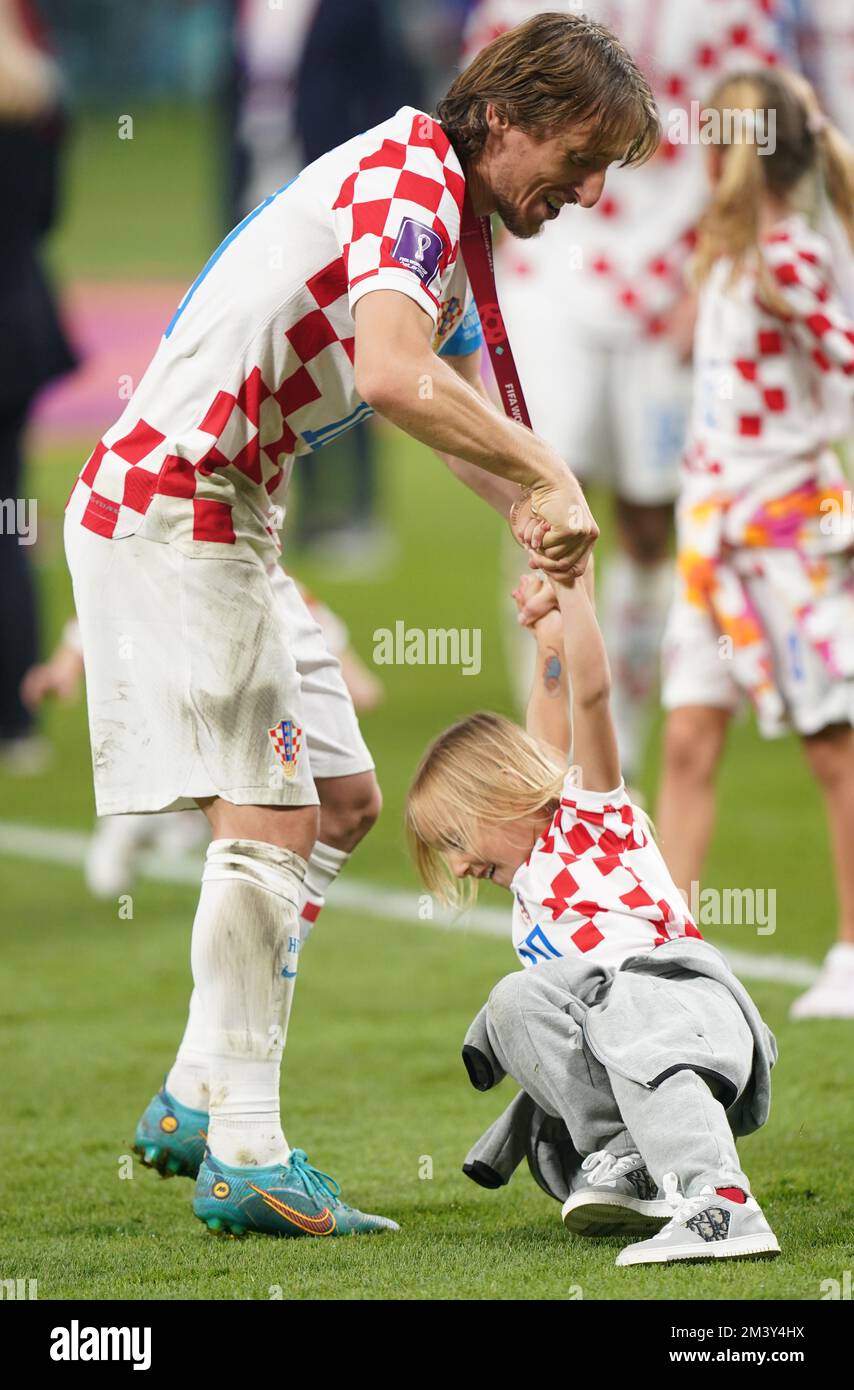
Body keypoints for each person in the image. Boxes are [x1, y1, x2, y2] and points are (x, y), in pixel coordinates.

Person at [63, 12, 658, 1239]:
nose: (592, 192)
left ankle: (190, 1092)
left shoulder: (436, 202)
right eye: (583, 157)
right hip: (174, 502)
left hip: (230, 506)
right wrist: (550, 472)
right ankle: (246, 1152)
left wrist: (527, 516)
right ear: (504, 116)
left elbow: (434, 400)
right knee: (274, 811)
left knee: (338, 801)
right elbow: (392, 373)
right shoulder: (410, 178)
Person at [405, 561, 780, 1266]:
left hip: (685, 1010)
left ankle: (723, 1203)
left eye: (456, 840)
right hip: (630, 1044)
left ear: (499, 797)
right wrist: (547, 641)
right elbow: (553, 697)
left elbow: (593, 695)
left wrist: (576, 588)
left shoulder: (590, 819)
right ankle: (629, 1154)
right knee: (512, 1001)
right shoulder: (527, 887)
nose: (457, 867)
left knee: (625, 995)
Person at [463, 0, 799, 783]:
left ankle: (622, 744)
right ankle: (547, 750)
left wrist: (712, 268)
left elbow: (754, 132)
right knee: (544, 504)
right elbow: (480, 110)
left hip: (674, 275)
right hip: (551, 265)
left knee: (651, 523)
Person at [655, 67, 854, 1021]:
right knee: (690, 731)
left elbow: (846, 360)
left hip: (787, 531)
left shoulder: (791, 259)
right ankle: (668, 949)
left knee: (833, 742)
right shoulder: (730, 253)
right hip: (715, 533)